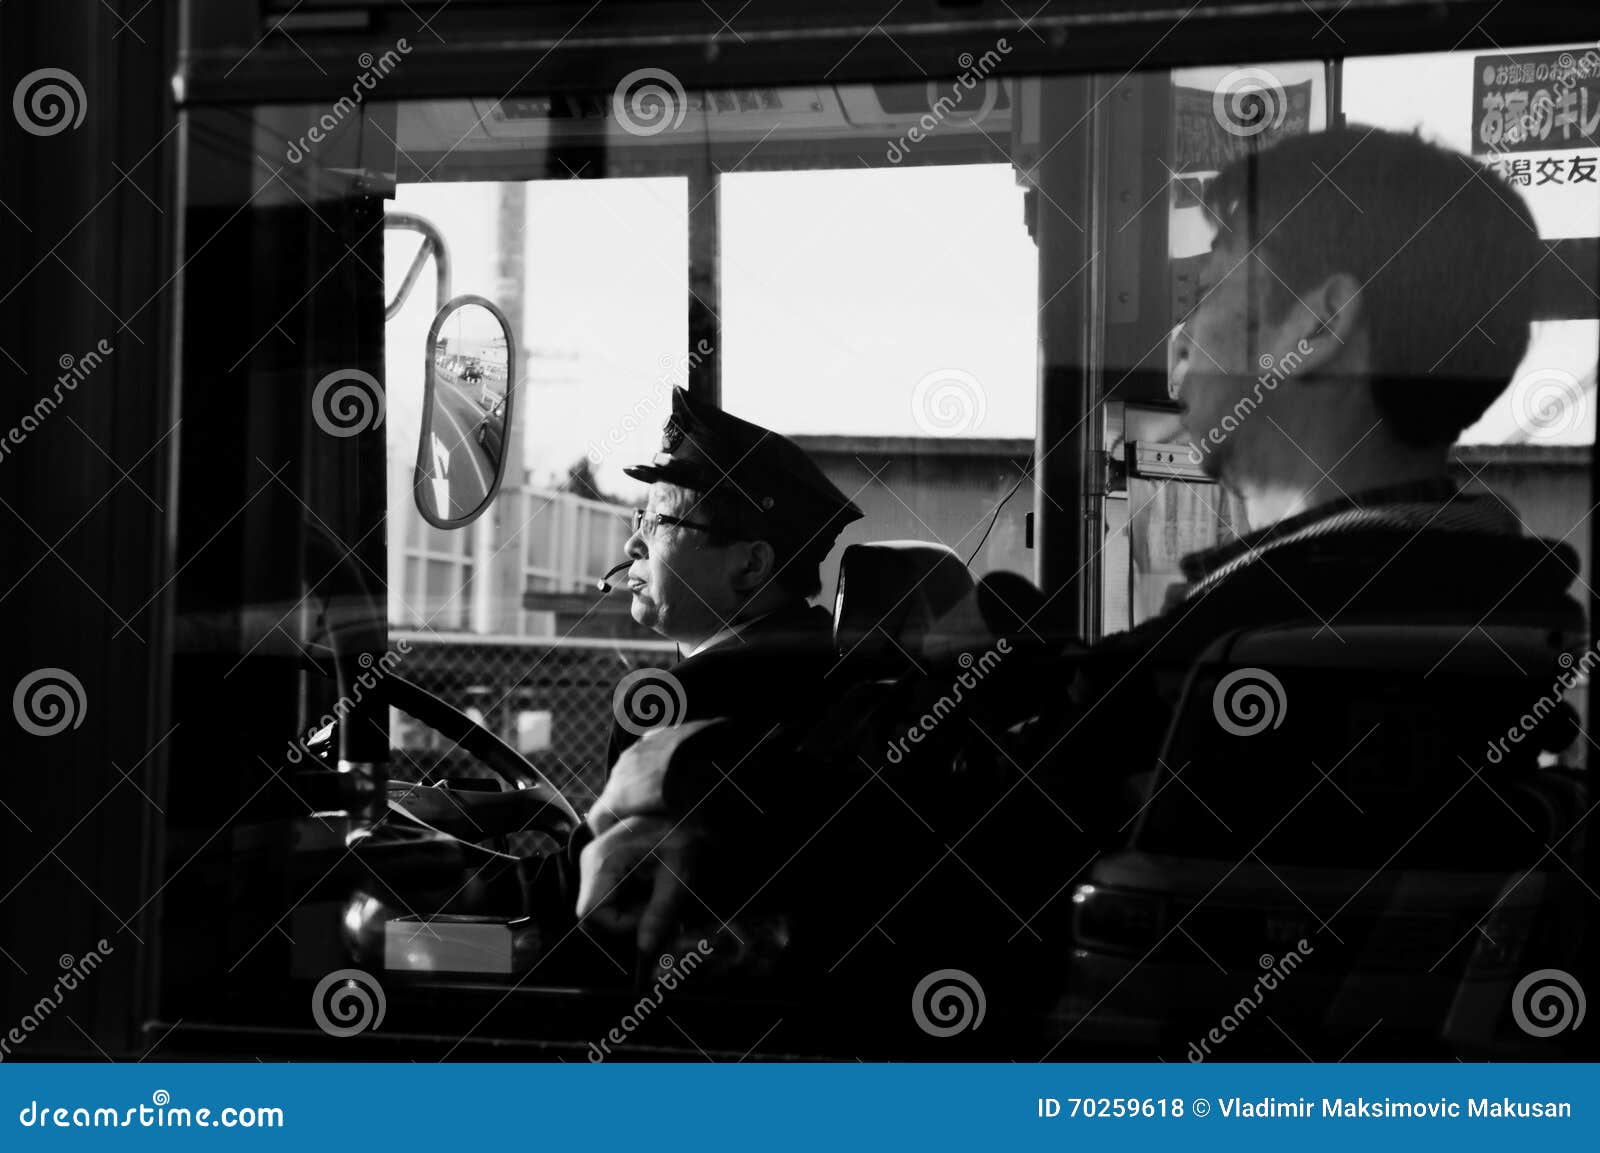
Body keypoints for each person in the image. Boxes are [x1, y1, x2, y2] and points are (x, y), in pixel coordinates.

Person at [574, 127, 1588, 1039]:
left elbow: (952, 812)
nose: (1179, 334)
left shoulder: (1264, 645)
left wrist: (689, 773)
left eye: (1208, 287)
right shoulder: (1448, 604)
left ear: (1315, 326)